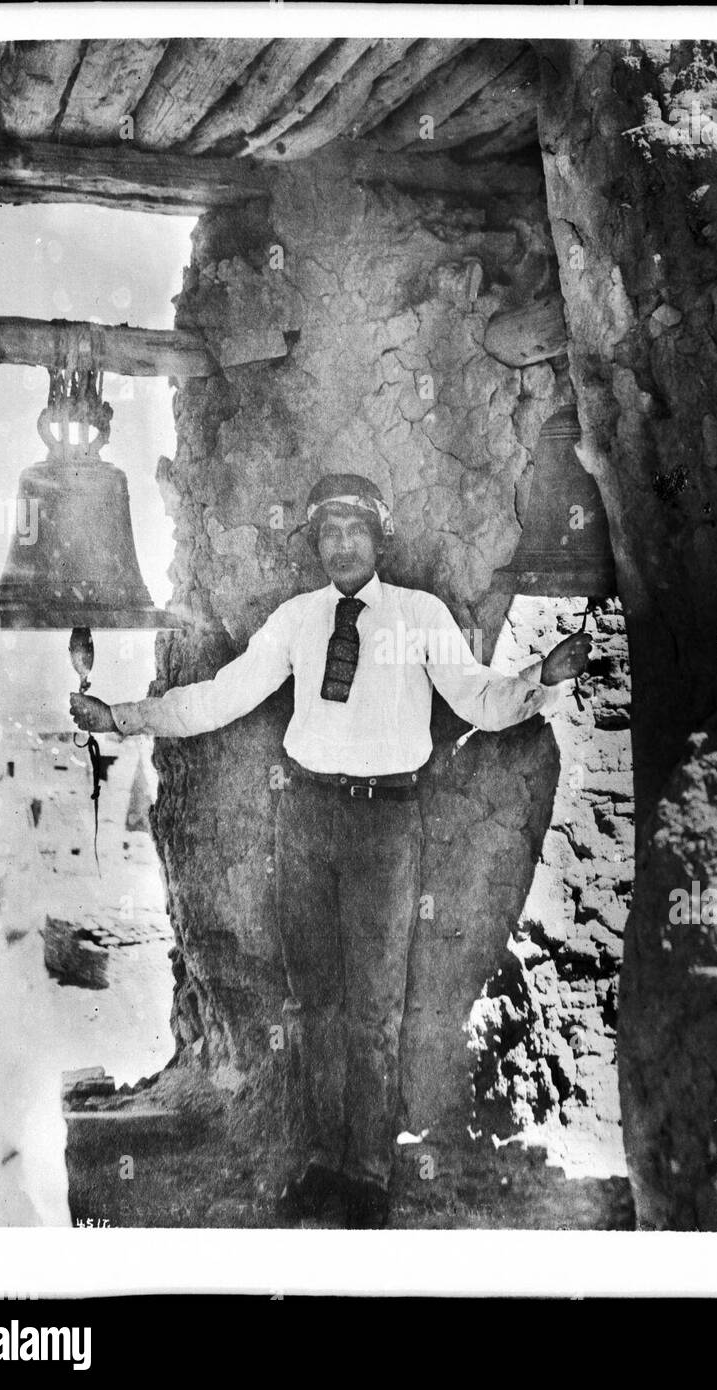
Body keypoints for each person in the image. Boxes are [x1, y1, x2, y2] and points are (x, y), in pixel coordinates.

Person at [70, 472, 595, 1228]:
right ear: (316, 543)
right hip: (306, 821)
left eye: (354, 531)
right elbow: (220, 696)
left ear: (380, 539)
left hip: (385, 827)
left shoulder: (419, 615)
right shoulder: (296, 620)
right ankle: (321, 1163)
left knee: (375, 1012)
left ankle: (368, 1176)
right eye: (328, 533)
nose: (340, 545)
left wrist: (541, 679)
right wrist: (118, 714)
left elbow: (477, 698)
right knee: (314, 1003)